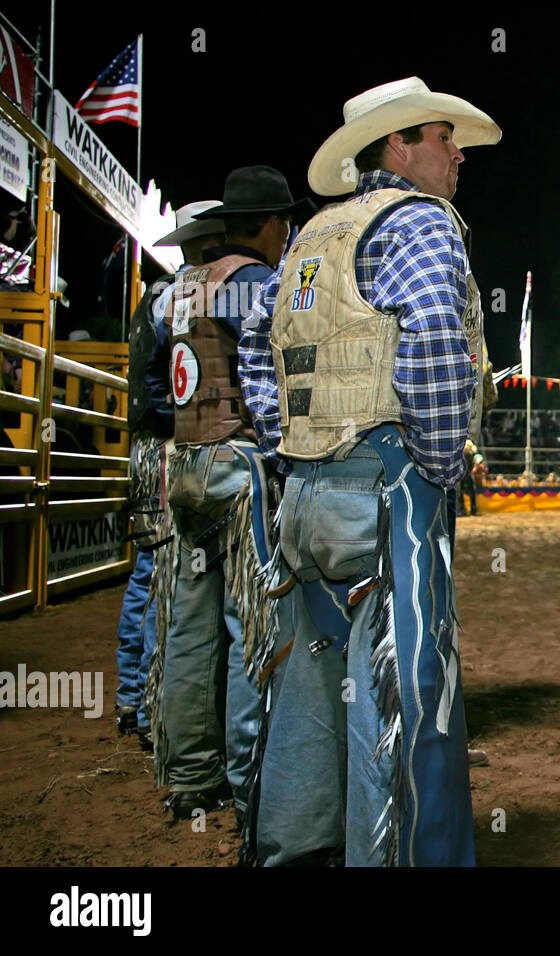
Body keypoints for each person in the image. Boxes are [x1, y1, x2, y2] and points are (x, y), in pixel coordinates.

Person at [239, 77, 500, 867]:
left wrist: (291, 439)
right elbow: (431, 336)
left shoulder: (314, 236)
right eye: (441, 136)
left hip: (306, 494)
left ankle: (293, 849)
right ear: (398, 146)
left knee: (307, 691)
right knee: (412, 691)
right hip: (388, 482)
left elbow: (258, 343)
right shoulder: (421, 224)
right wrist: (438, 458)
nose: (456, 151)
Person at [153, 167, 312, 824]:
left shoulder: (179, 288)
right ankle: (253, 784)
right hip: (236, 459)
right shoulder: (255, 285)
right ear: (271, 224)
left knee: (188, 625)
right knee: (254, 623)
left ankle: (189, 772)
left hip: (182, 459)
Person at [116, 201, 224, 753]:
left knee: (153, 568)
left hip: (151, 445)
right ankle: (146, 699)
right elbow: (167, 389)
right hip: (167, 445)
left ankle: (137, 697)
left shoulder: (161, 297)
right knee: (164, 570)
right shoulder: (189, 297)